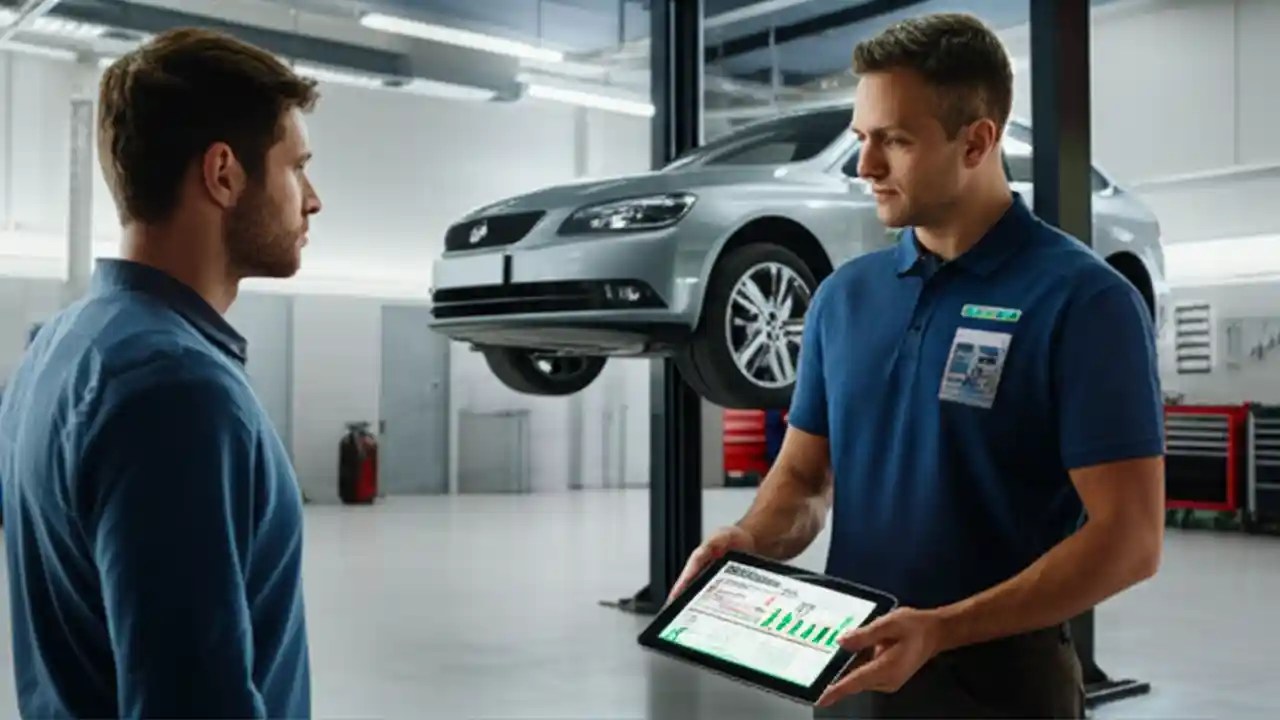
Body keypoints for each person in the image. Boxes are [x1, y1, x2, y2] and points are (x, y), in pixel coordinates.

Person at [668, 13, 1165, 719]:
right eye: (862, 139)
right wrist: (749, 541)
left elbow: (1131, 540)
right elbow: (807, 480)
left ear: (977, 141)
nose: (867, 166)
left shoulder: (1085, 302)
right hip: (852, 668)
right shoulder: (844, 298)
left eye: (894, 141)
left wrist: (943, 629)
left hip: (1002, 687)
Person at [0, 27, 322, 718]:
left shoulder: (59, 348)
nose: (313, 199)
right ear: (223, 174)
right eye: (297, 167)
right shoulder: (177, 391)